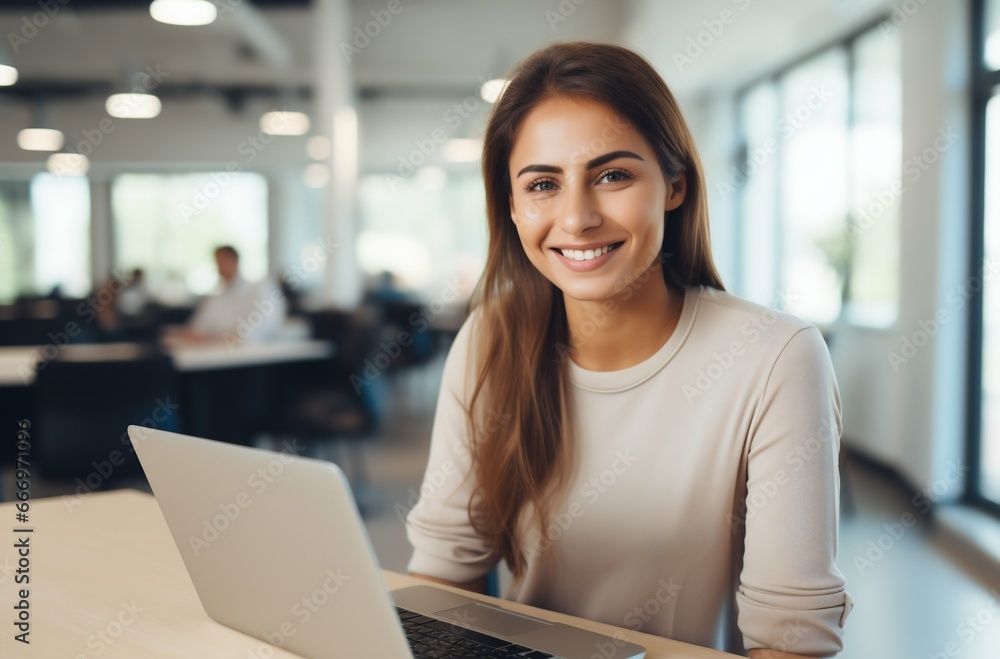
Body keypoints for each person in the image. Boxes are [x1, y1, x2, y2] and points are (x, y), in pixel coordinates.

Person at [404, 42, 852, 658]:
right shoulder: (489, 339)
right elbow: (442, 576)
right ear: (512, 206)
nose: (578, 218)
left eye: (612, 175)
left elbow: (792, 645)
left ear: (673, 185)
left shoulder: (775, 358)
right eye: (542, 184)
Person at [178, 245, 286, 344]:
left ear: (234, 260)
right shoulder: (215, 298)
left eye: (222, 261)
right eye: (217, 263)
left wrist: (211, 337)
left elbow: (251, 336)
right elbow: (195, 331)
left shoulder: (260, 288)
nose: (219, 267)